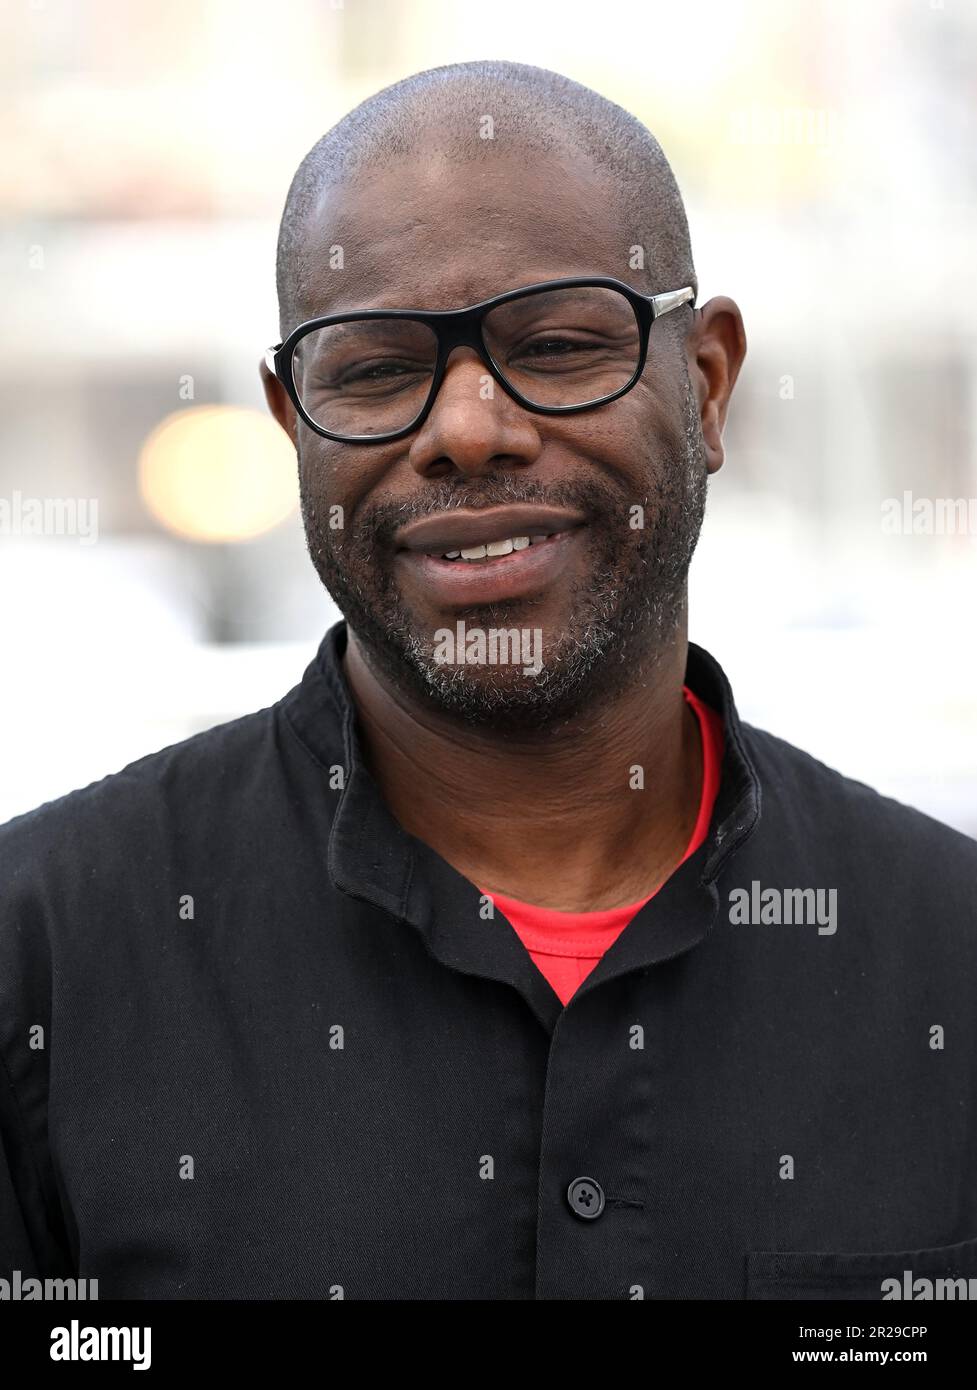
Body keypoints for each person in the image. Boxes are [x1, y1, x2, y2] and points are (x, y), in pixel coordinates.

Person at [2, 59, 976, 1303]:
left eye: (560, 344)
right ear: (291, 421)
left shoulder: (942, 957)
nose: (466, 426)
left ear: (711, 381)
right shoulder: (41, 960)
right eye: (373, 370)